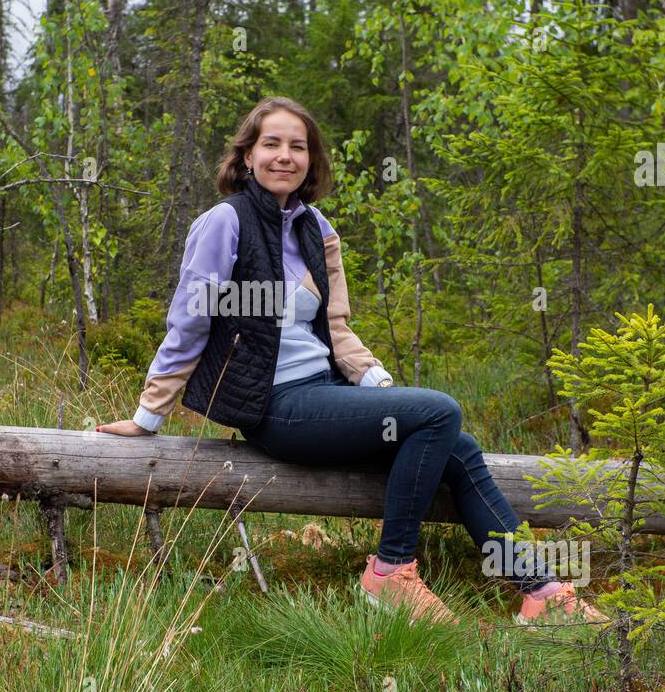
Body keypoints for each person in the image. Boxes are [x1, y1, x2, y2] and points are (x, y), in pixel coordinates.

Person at [97, 96, 605, 627]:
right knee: (439, 411)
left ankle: (541, 591)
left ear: (311, 161)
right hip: (275, 409)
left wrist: (376, 384)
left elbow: (335, 327)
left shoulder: (316, 228)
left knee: (457, 446)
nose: (285, 156)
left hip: (327, 394)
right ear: (247, 155)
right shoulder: (225, 223)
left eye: (299, 147)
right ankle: (389, 574)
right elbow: (190, 320)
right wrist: (148, 416)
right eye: (271, 144)